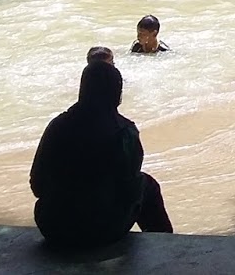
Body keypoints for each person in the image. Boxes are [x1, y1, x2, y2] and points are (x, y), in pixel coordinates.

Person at [30, 61, 173, 249]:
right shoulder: (124, 132)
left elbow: (37, 184)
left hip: (53, 226)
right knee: (148, 185)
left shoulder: (57, 125)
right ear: (117, 94)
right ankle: (166, 247)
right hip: (102, 230)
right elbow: (130, 187)